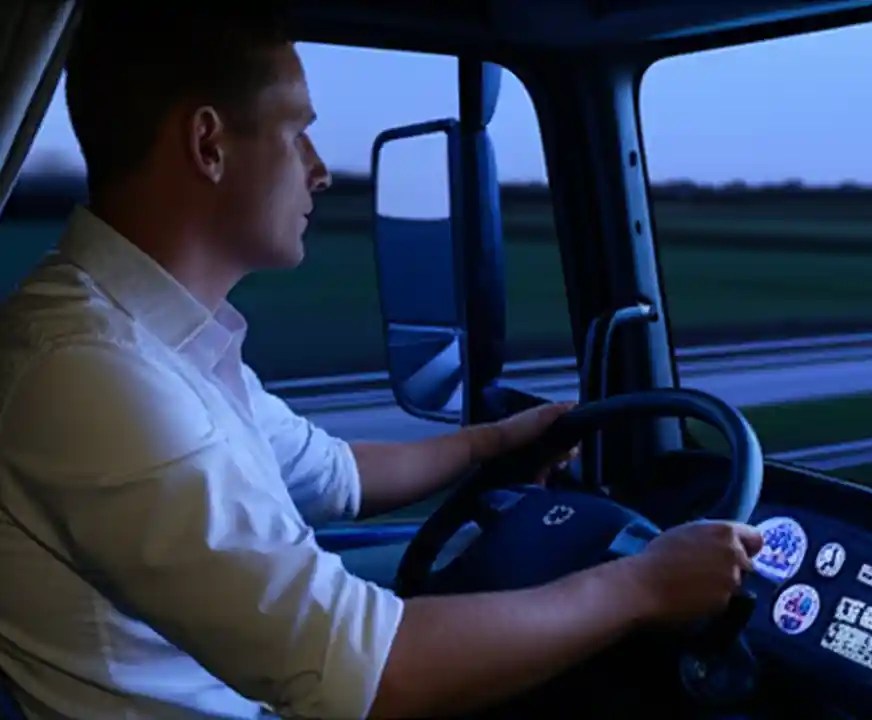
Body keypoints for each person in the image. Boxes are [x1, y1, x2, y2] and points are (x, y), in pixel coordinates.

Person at [0, 4, 764, 719]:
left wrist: (492, 446)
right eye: (297, 131)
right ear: (209, 144)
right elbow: (370, 672)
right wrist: (639, 586)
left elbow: (335, 475)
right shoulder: (91, 374)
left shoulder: (152, 340)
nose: (320, 169)